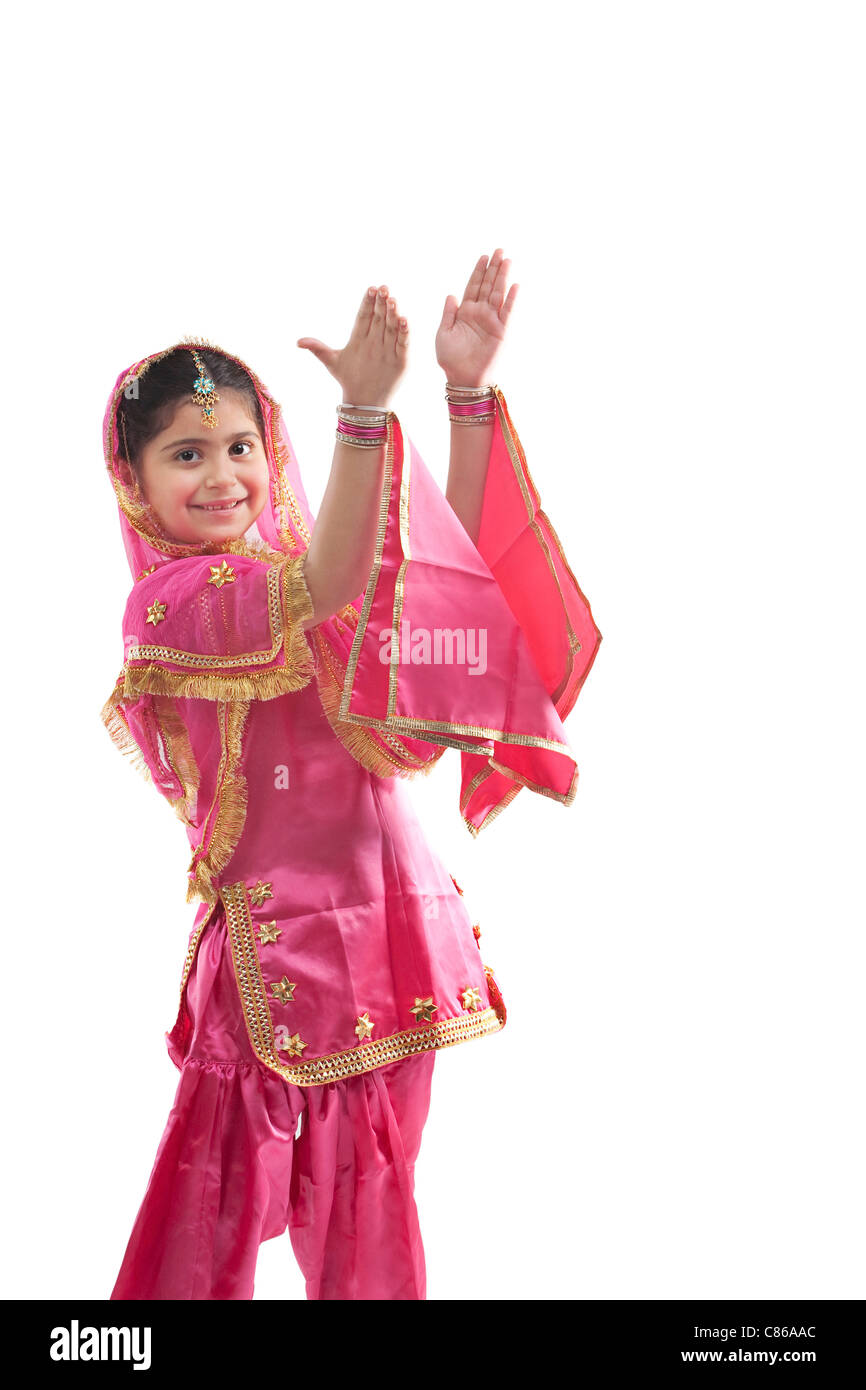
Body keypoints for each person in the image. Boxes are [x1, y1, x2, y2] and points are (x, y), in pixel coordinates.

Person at [101, 250, 602, 1301]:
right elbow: (330, 574)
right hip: (275, 959)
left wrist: (463, 394)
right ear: (134, 482)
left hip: (394, 931)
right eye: (186, 454)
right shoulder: (176, 606)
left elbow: (428, 566)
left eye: (240, 444)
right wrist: (364, 415)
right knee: (213, 1215)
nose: (223, 473)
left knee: (372, 1200)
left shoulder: (297, 578)